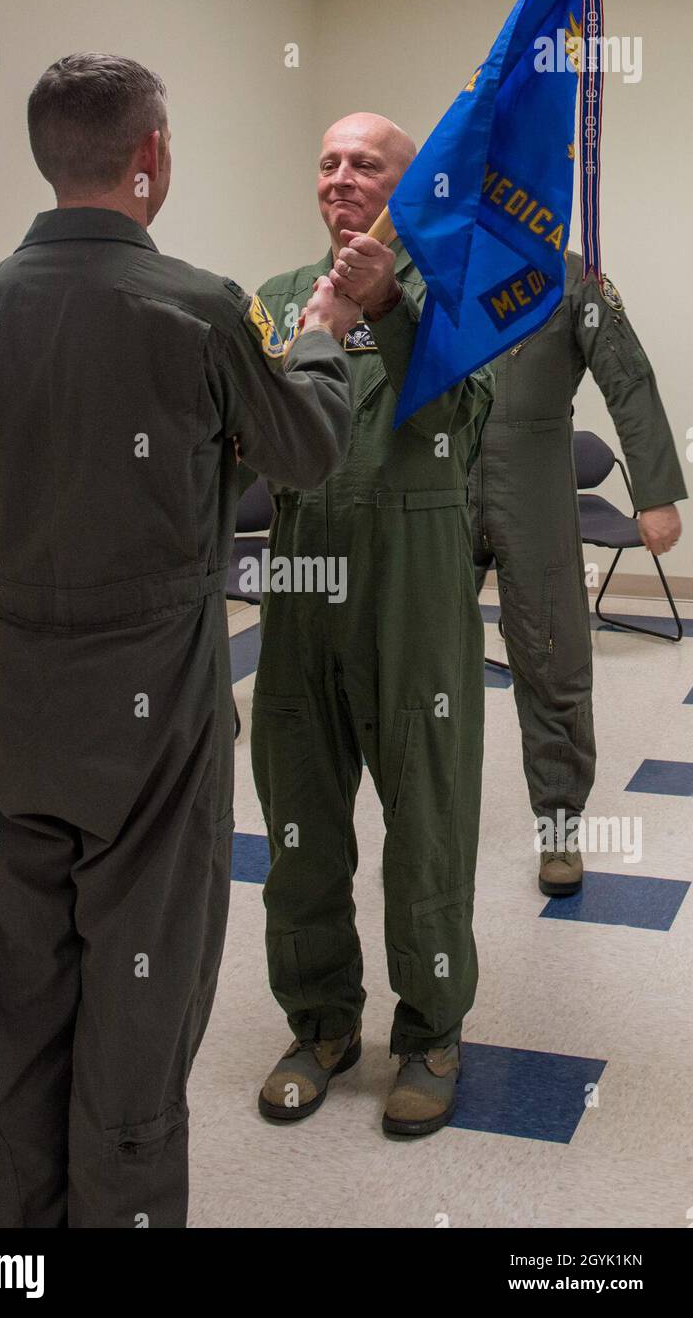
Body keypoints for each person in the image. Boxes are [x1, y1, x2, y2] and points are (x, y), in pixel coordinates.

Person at [0, 53, 357, 1227]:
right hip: (150, 701)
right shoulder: (204, 310)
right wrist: (323, 335)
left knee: (11, 1004)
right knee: (140, 996)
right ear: (149, 157)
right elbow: (305, 451)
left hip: (8, 692)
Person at [248, 112, 493, 1137]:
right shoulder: (271, 298)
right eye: (328, 161)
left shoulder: (454, 293)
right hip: (303, 585)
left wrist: (386, 306)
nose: (341, 177)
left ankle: (430, 1028)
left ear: (405, 187)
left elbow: (461, 421)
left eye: (367, 164)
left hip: (414, 587)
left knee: (426, 827)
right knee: (299, 821)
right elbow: (249, 435)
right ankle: (320, 1023)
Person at [471, 252, 686, 895]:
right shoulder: (431, 265)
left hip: (533, 483)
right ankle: (423, 830)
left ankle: (560, 828)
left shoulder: (575, 280)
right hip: (439, 483)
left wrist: (653, 492)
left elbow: (627, 376)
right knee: (420, 667)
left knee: (553, 656)